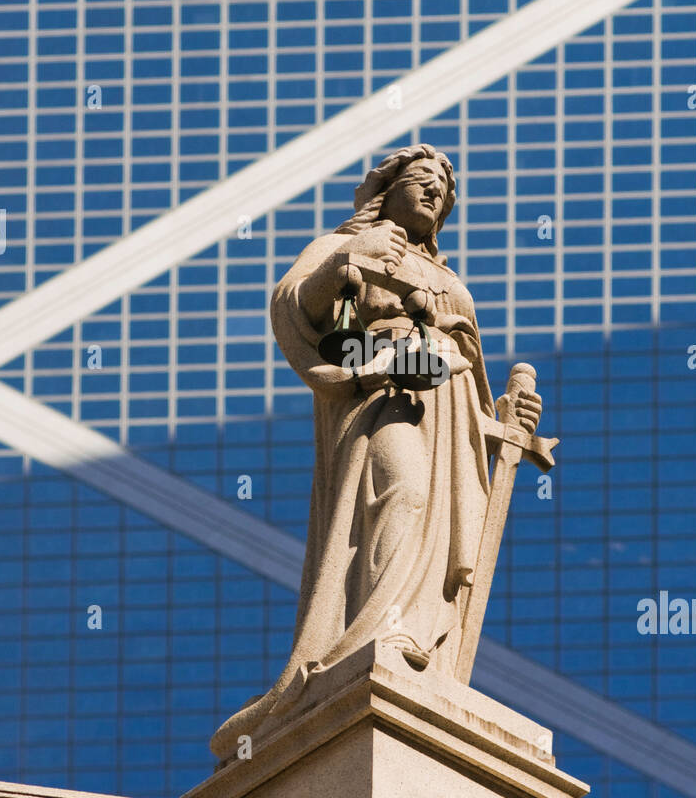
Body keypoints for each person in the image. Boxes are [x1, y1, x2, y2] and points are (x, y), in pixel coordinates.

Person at [211, 143, 542, 748]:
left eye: (443, 186)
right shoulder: (351, 244)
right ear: (384, 191)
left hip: (447, 406)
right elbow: (295, 309)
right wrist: (347, 263)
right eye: (421, 178)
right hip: (378, 391)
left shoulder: (450, 281)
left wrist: (502, 419)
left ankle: (416, 639)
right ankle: (373, 633)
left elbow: (468, 369)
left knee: (436, 533)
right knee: (402, 491)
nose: (435, 190)